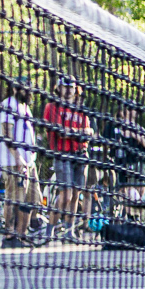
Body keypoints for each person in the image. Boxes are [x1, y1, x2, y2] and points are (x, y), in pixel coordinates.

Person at [40, 72, 92, 230]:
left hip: (81, 155)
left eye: (71, 87)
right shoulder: (52, 107)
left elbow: (89, 133)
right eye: (65, 87)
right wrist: (80, 133)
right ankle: (50, 229)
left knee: (76, 195)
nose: (68, 90)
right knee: (66, 195)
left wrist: (77, 133)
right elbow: (60, 132)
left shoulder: (81, 110)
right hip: (62, 155)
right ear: (59, 88)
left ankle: (69, 231)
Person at [0, 78, 39, 240]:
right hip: (13, 162)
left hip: (29, 163)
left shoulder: (26, 108)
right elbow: (7, 133)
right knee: (14, 198)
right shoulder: (9, 105)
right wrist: (18, 157)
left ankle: (22, 233)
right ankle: (10, 235)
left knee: (33, 198)